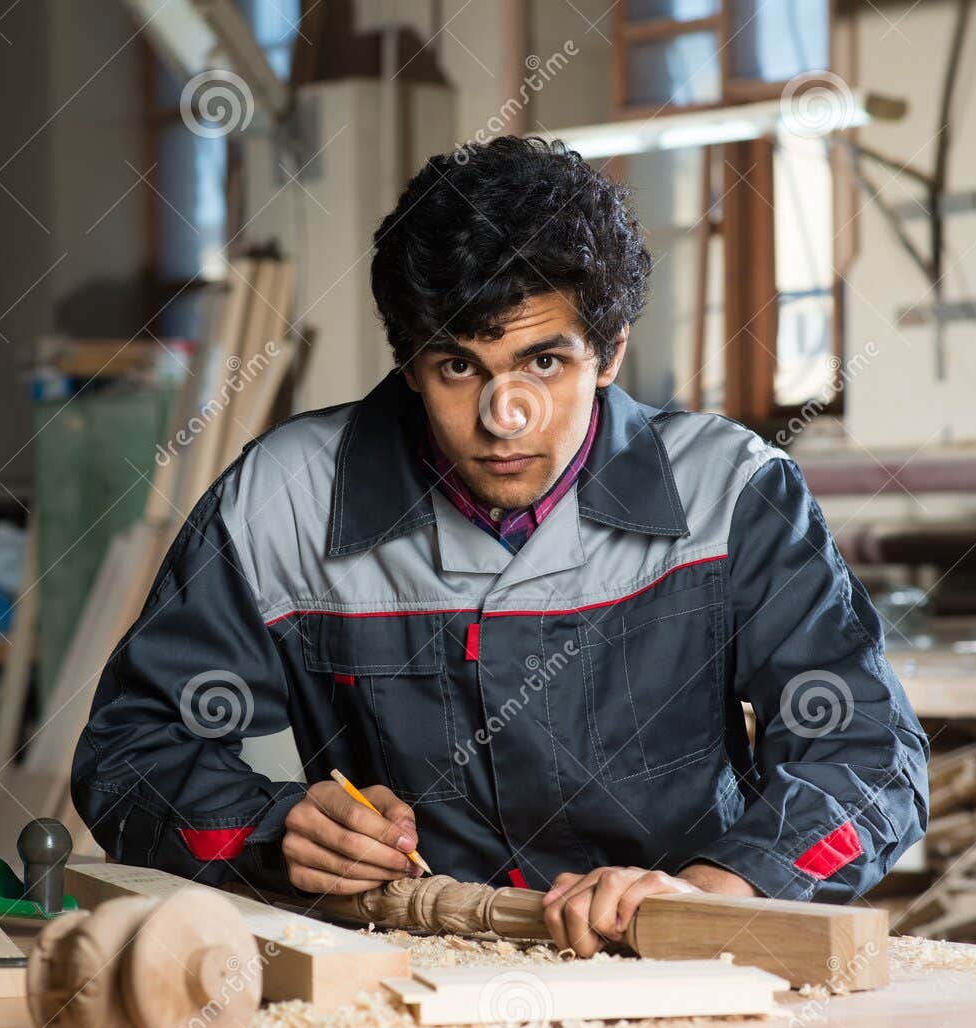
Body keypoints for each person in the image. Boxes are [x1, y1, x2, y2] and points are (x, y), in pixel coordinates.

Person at [73, 136, 928, 958]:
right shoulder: (282, 501)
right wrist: (274, 831)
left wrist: (720, 889)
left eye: (544, 362)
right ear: (408, 363)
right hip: (406, 987)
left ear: (610, 352)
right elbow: (128, 756)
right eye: (458, 368)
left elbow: (871, 757)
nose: (502, 417)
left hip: (683, 976)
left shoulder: (733, 494)